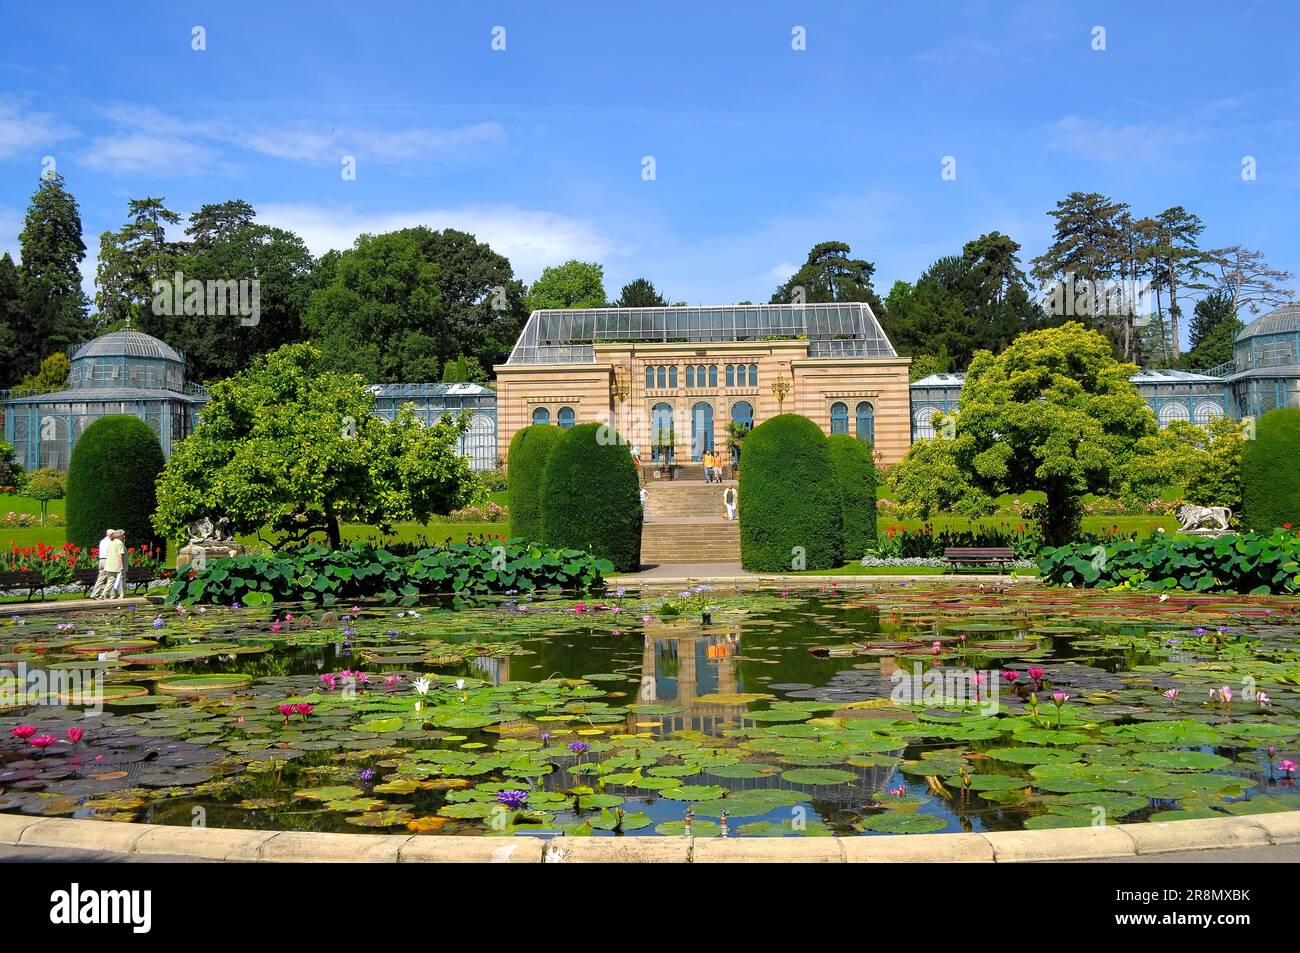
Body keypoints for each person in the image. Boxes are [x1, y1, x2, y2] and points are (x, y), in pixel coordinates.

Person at [100, 529, 126, 600]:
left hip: (109, 565)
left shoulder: (113, 542)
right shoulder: (120, 543)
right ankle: (121, 595)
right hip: (116, 565)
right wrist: (121, 565)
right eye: (123, 535)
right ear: (120, 536)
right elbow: (119, 554)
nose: (124, 536)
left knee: (110, 580)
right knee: (121, 579)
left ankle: (103, 594)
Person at [89, 528, 115, 598]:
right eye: (114, 534)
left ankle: (94, 594)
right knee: (111, 578)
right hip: (107, 560)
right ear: (111, 535)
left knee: (100, 579)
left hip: (101, 560)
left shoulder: (102, 541)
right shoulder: (111, 542)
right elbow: (111, 553)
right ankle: (111, 595)